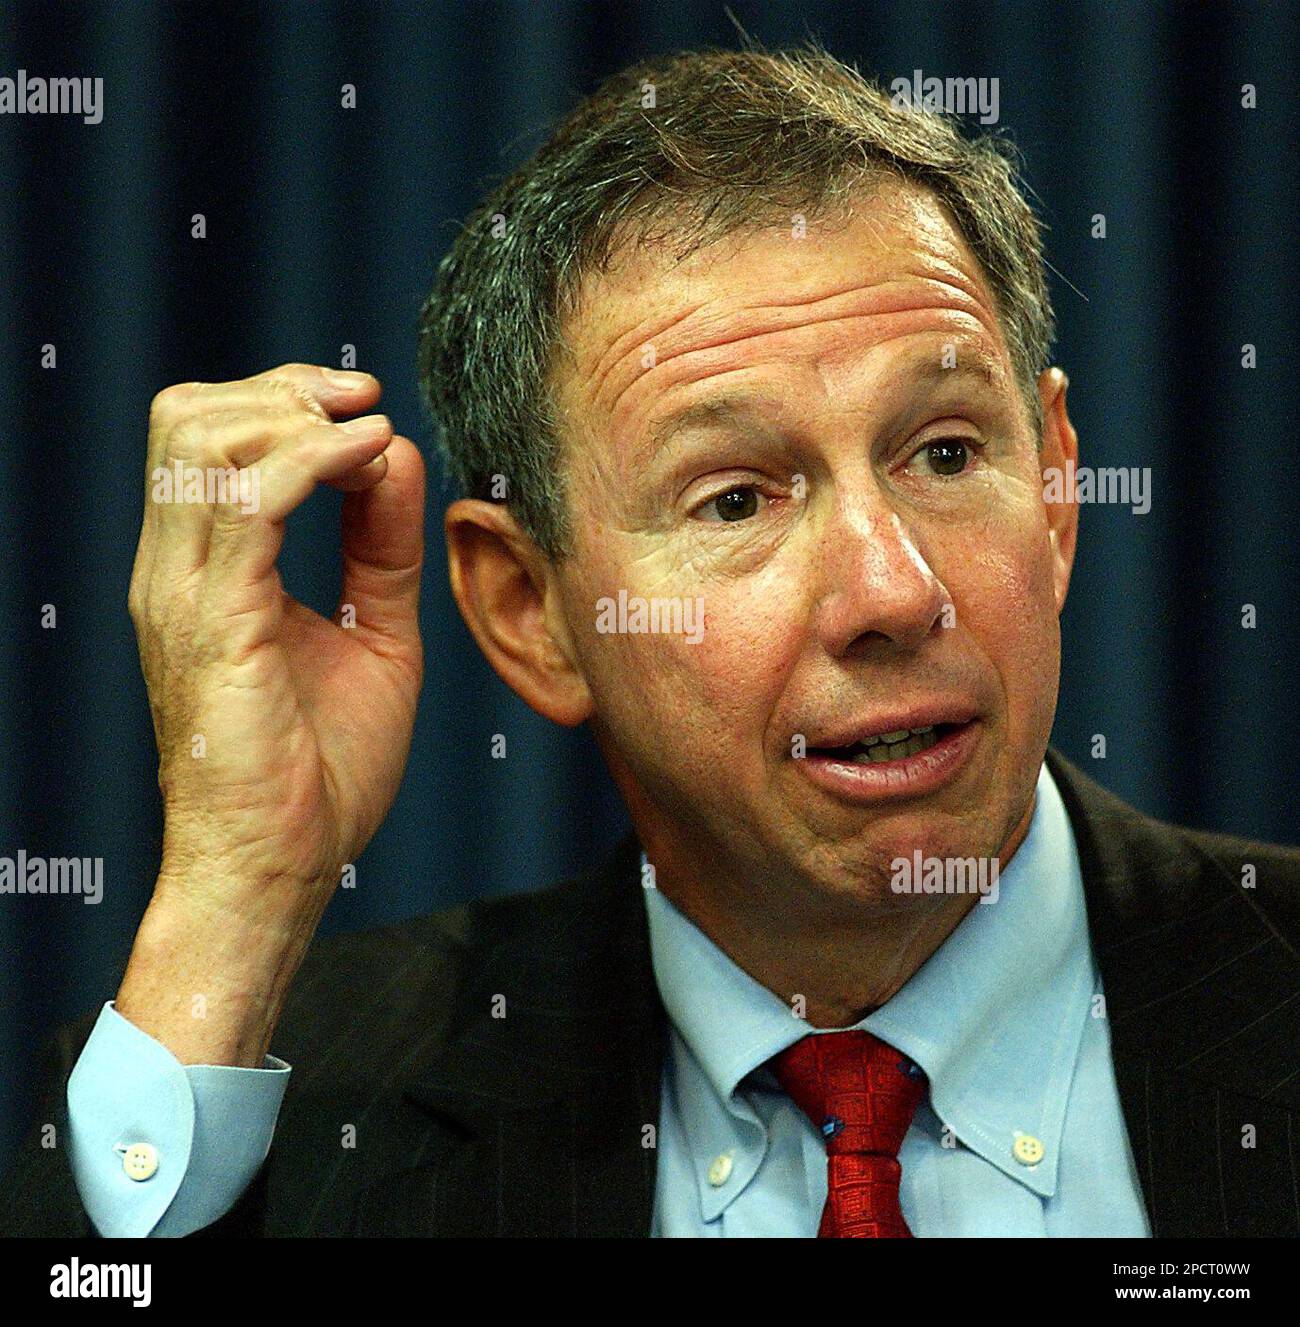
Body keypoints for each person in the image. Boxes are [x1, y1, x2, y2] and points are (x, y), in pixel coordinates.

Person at [4, 45, 1298, 1239]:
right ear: (530, 611)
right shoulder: (322, 1120)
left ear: (1061, 488)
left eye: (946, 453)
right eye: (735, 498)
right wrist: (233, 893)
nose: (894, 594)